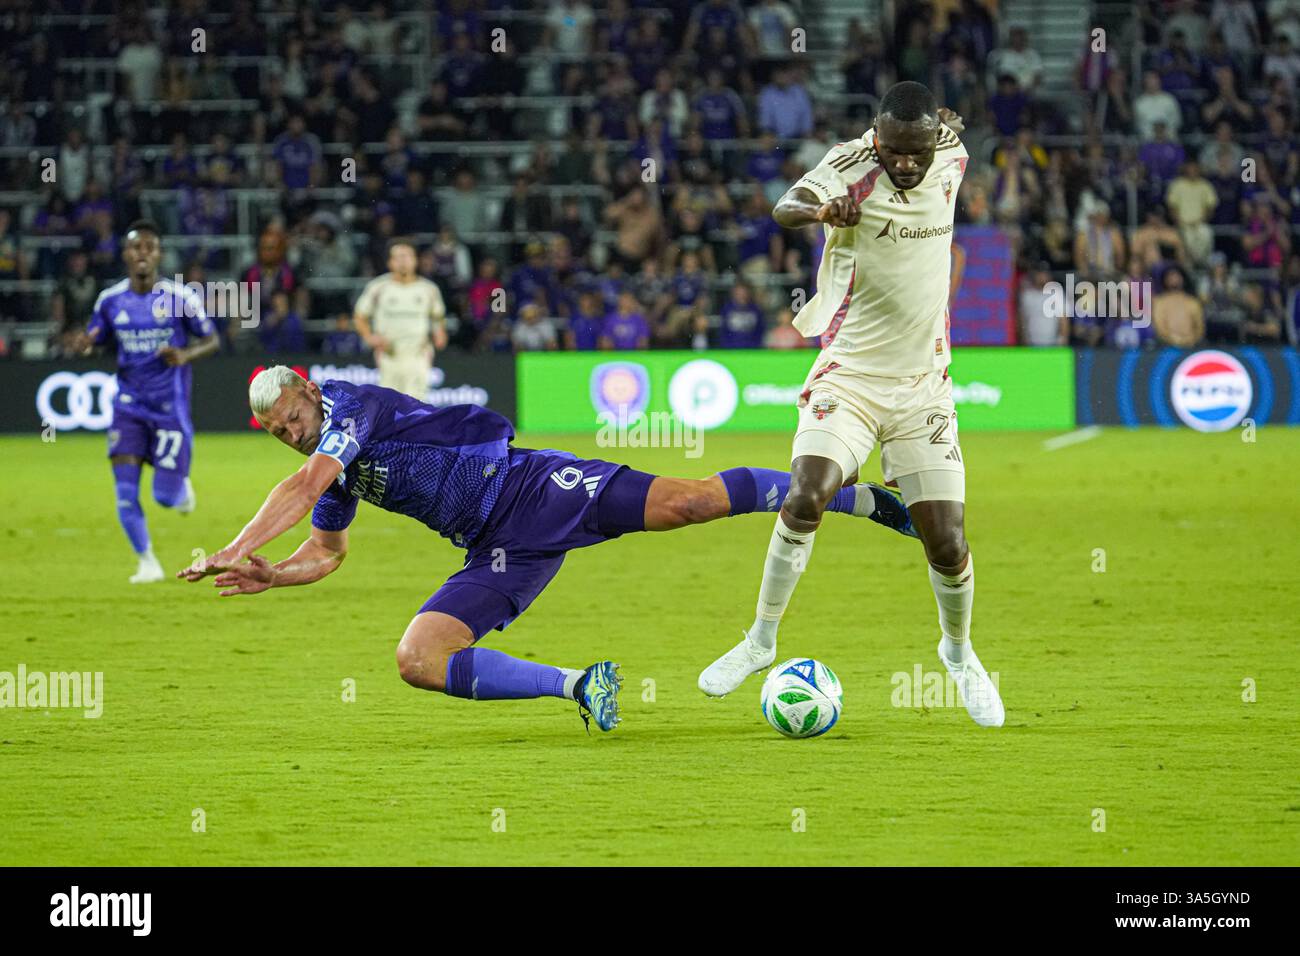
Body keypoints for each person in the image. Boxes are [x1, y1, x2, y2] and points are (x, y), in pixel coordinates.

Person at [178, 367, 919, 733]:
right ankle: (577, 686)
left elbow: (306, 484)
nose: (293, 431)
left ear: (307, 393)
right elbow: (327, 548)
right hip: (497, 549)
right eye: (279, 431)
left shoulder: (350, 406)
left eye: (292, 418)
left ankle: (860, 498)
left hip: (534, 488)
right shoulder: (339, 466)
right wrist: (275, 573)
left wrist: (234, 545)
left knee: (690, 501)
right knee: (418, 659)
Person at [696, 82, 1005, 729]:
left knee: (947, 542)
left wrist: (943, 123)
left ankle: (957, 651)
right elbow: (787, 205)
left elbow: (949, 126)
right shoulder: (852, 164)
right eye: (895, 150)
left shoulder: (951, 152)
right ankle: (760, 640)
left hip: (925, 384)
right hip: (854, 375)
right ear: (878, 138)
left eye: (916, 151)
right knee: (805, 496)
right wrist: (820, 212)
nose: (907, 164)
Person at [69, 220, 219, 583]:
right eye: (136, 247)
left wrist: (185, 355)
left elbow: (212, 340)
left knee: (166, 499)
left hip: (169, 407)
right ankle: (147, 561)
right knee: (124, 490)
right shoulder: (110, 300)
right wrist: (84, 345)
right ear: (125, 254)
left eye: (150, 247)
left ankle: (177, 485)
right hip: (128, 405)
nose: (143, 253)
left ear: (159, 254)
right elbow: (94, 336)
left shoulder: (180, 297)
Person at [353, 238, 448, 400]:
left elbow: (437, 317)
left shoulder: (429, 289)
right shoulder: (378, 287)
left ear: (416, 260)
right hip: (389, 354)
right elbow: (360, 316)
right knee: (389, 404)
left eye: (407, 256)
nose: (403, 262)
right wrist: (370, 337)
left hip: (418, 354)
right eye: (398, 257)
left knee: (417, 404)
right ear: (390, 262)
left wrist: (440, 333)